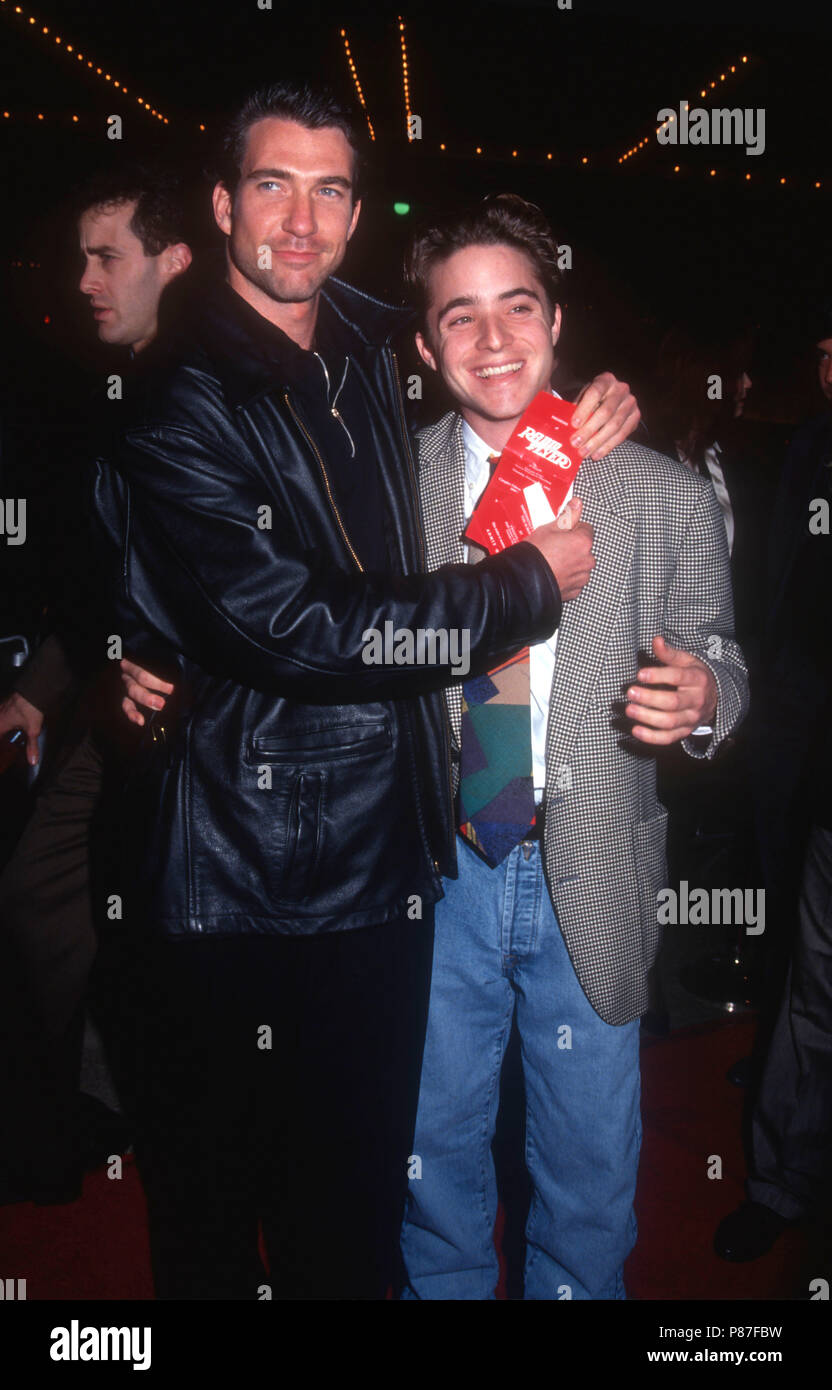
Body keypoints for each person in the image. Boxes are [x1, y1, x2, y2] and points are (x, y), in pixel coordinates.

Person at [92, 79, 646, 1301]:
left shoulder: (356, 338)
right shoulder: (184, 383)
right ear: (225, 204)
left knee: (361, 1197)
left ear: (355, 210)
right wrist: (519, 590)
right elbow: (293, 622)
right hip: (243, 865)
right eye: (273, 186)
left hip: (388, 852)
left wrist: (590, 402)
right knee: (220, 1204)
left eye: (330, 189)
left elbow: (491, 348)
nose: (302, 220)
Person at [393, 195, 749, 1299]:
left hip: (592, 862)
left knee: (588, 1169)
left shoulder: (661, 493)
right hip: (434, 865)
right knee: (427, 1150)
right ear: (424, 344)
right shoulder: (385, 487)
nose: (493, 340)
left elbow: (724, 663)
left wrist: (703, 697)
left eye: (517, 308)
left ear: (556, 321)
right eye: (459, 317)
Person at [0, 165, 192, 1206]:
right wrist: (40, 684)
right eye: (78, 255)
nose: (80, 279)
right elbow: (96, 571)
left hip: (186, 726)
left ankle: (121, 1104)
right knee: (41, 890)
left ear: (174, 262)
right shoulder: (112, 386)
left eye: (103, 256)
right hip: (102, 705)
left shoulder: (204, 389)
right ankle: (95, 1095)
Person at [715, 302, 832, 1262]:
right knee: (808, 975)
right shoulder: (807, 450)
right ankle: (782, 1179)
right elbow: (772, 586)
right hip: (802, 731)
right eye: (826, 353)